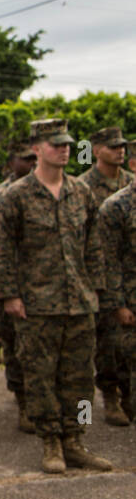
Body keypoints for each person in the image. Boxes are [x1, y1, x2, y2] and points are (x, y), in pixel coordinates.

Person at [0, 118, 110, 473]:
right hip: (37, 306)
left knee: (80, 377)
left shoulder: (81, 192)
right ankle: (51, 443)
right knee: (40, 376)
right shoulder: (16, 196)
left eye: (67, 143)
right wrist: (9, 295)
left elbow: (93, 245)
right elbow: (2, 251)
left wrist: (97, 288)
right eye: (56, 143)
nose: (64, 149)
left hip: (79, 303)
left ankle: (75, 440)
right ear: (37, 149)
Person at [0, 141, 37, 433]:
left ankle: (55, 412)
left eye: (33, 158)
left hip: (42, 288)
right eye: (25, 159)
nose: (31, 163)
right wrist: (0, 291)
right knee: (15, 348)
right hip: (9, 287)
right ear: (11, 162)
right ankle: (24, 403)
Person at [79, 127, 133, 425]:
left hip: (130, 277)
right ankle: (110, 397)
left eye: (122, 146)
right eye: (112, 147)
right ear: (96, 150)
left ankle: (128, 396)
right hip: (99, 277)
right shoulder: (84, 186)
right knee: (107, 344)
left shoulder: (131, 184)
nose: (119, 151)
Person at [98, 180, 135, 424]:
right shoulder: (116, 206)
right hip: (130, 298)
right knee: (124, 358)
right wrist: (118, 303)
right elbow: (108, 261)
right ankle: (115, 399)